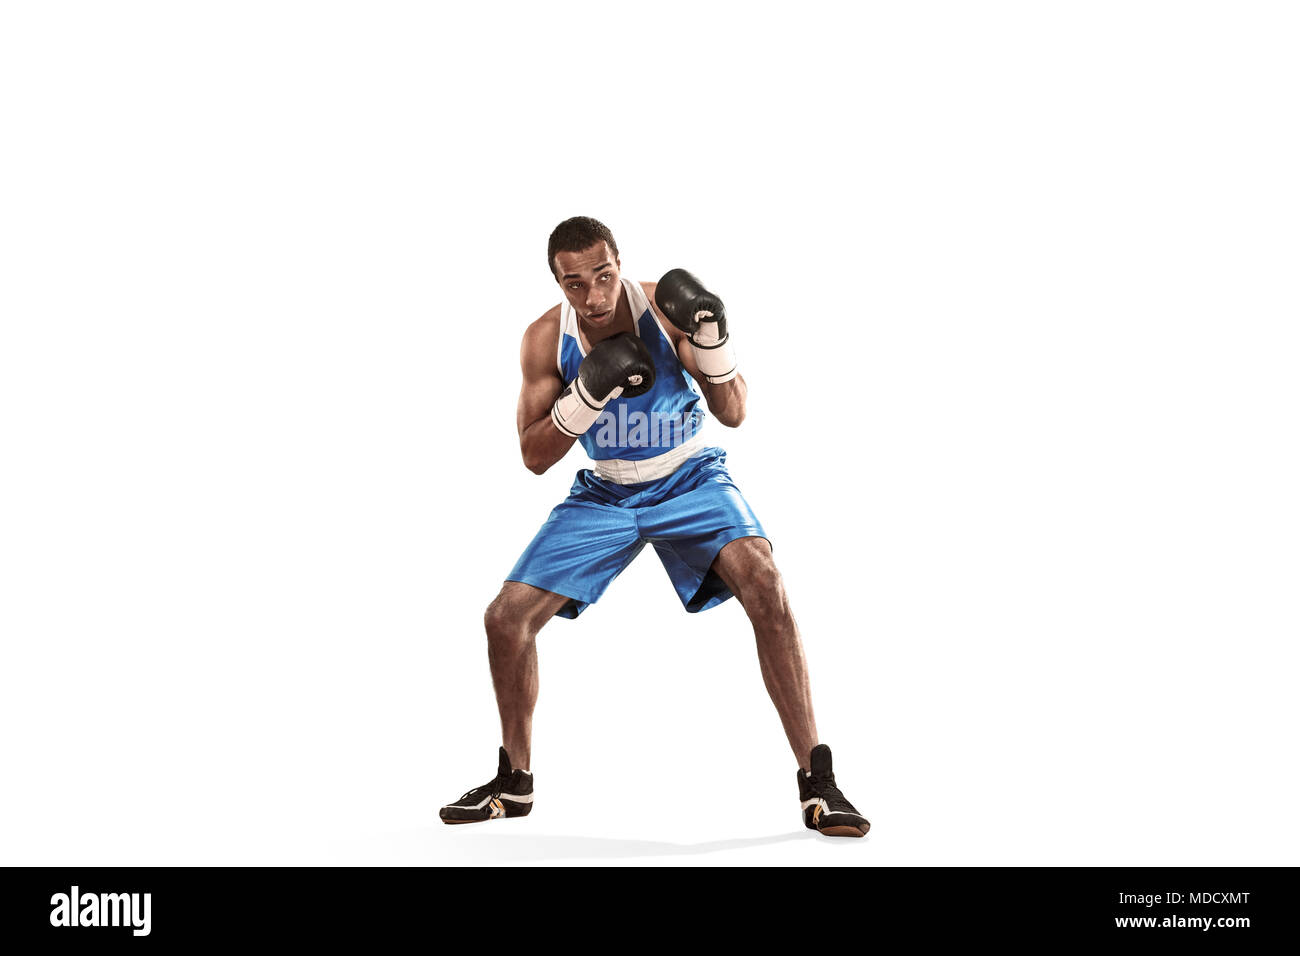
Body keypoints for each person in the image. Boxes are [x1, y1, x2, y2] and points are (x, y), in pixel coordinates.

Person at [439, 217, 870, 837]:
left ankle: (819, 783)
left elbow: (735, 412)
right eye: (576, 283)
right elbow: (534, 456)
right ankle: (514, 782)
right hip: (605, 491)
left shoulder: (665, 313)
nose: (593, 296)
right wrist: (585, 394)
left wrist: (713, 341)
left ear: (619, 263)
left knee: (766, 581)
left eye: (604, 276)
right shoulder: (543, 339)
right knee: (504, 618)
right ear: (558, 281)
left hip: (689, 477)